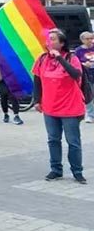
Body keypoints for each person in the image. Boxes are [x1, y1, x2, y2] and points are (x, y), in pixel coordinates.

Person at [34, 29, 86, 184]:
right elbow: (37, 80)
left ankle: (77, 171)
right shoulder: (42, 59)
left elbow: (76, 75)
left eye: (53, 39)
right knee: (53, 140)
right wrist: (37, 100)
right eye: (48, 39)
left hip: (70, 107)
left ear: (61, 43)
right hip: (50, 107)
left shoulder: (72, 57)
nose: (49, 42)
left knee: (73, 141)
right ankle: (56, 169)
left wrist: (60, 58)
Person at [0, 55, 23, 125]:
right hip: (1, 78)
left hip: (10, 77)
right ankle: (7, 114)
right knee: (4, 97)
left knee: (13, 96)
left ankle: (15, 115)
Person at [74, 31, 94, 124]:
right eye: (87, 39)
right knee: (89, 96)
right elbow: (75, 63)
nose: (90, 40)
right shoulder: (78, 50)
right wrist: (84, 64)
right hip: (87, 76)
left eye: (91, 38)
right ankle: (90, 115)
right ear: (82, 40)